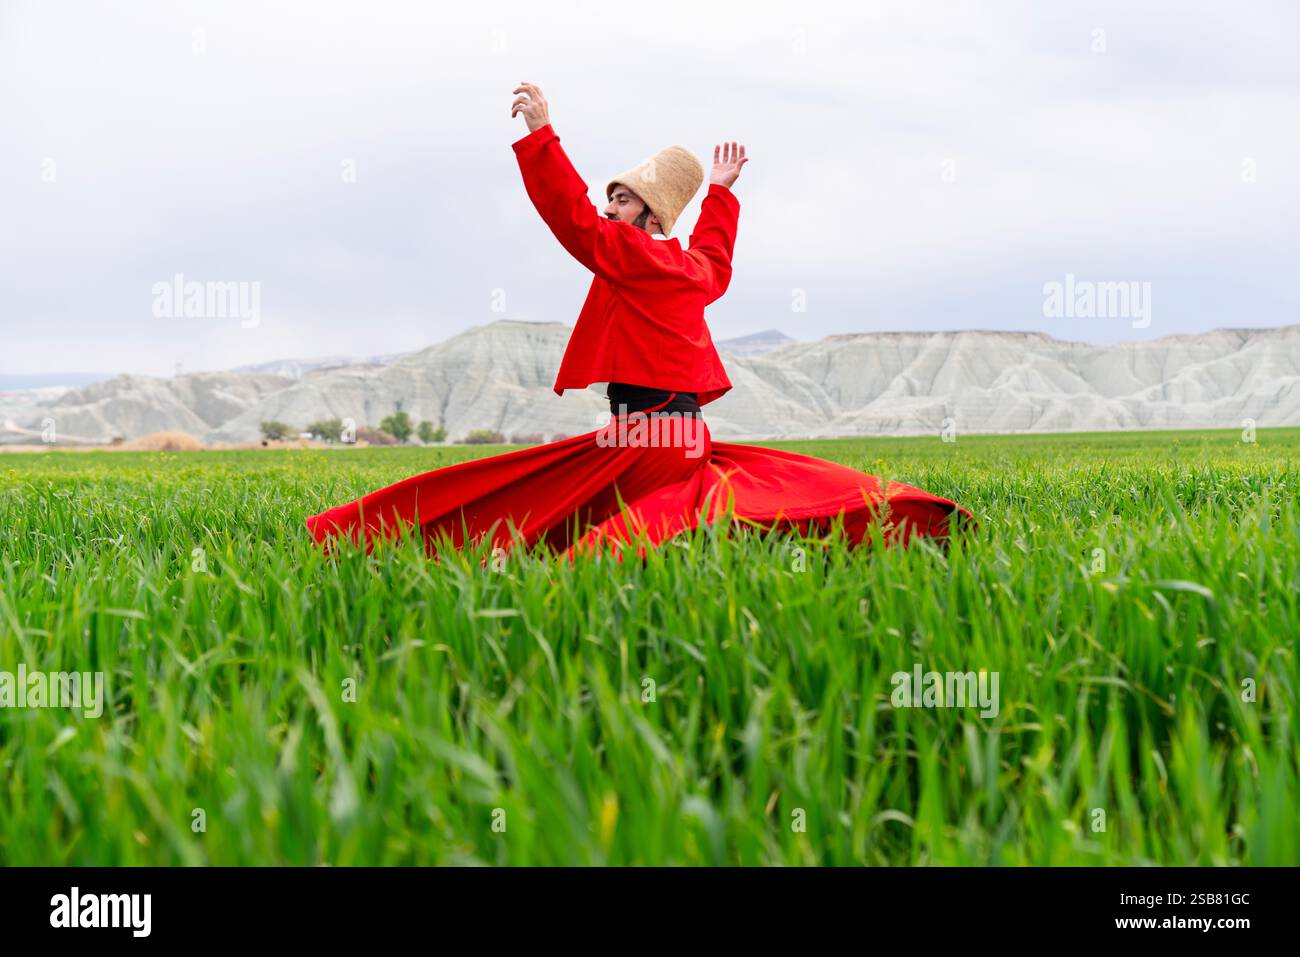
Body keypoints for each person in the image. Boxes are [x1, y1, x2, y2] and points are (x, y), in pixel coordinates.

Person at [304, 82, 972, 560]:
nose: (610, 208)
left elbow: (571, 217)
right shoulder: (690, 270)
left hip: (648, 442)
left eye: (622, 200)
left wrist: (542, 135)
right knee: (552, 501)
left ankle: (370, 535)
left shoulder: (627, 253)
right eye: (611, 198)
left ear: (649, 217)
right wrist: (720, 191)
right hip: (680, 440)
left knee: (534, 512)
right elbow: (714, 253)